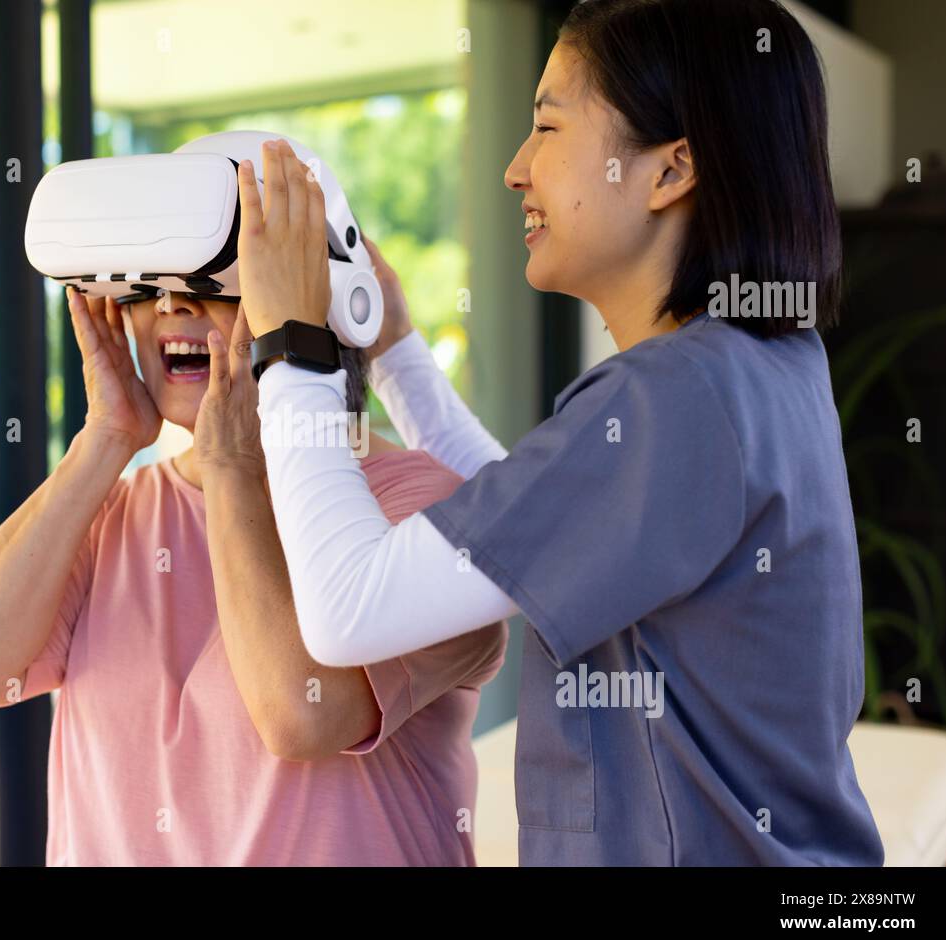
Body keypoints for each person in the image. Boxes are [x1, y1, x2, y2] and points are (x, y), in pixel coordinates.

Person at [234, 0, 884, 865]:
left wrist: (293, 350)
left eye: (547, 126)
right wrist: (392, 348)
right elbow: (532, 524)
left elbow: (350, 609)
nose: (514, 169)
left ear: (669, 170)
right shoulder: (766, 366)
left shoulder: (673, 395)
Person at [0, 239, 507, 864]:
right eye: (147, 288)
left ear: (316, 307)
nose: (171, 304)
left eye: (215, 281)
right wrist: (105, 439)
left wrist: (232, 462)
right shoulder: (112, 510)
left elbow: (302, 715)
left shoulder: (428, 511)